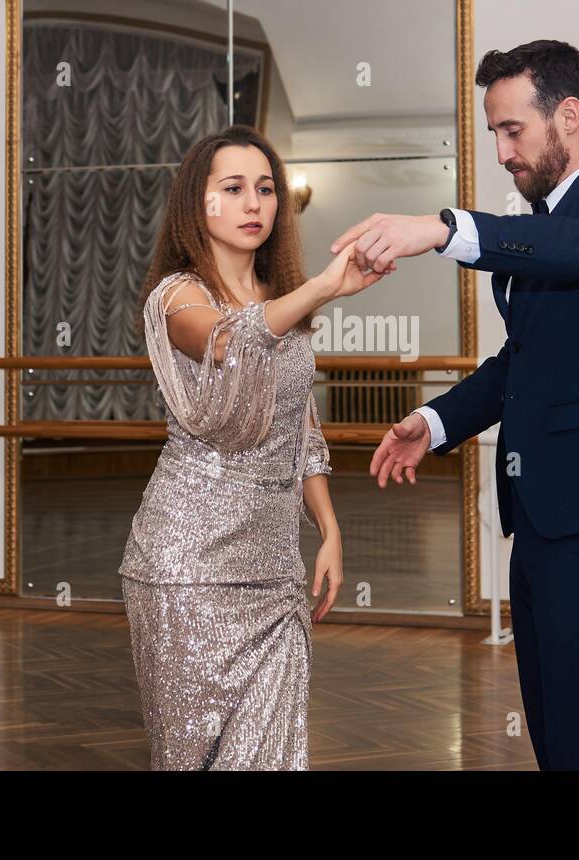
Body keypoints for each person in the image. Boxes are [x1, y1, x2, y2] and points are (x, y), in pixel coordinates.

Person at [331, 40, 579, 770]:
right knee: (554, 734)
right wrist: (435, 422)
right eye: (493, 132)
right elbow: (523, 362)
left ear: (569, 116)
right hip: (542, 516)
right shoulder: (550, 224)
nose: (501, 152)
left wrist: (443, 229)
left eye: (512, 130)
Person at [118, 124, 386, 769]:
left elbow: (302, 429)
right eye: (234, 188)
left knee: (269, 755)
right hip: (185, 568)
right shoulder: (176, 296)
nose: (254, 203)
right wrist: (322, 288)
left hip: (274, 571)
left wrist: (329, 530)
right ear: (198, 203)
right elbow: (229, 341)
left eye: (266, 189)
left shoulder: (280, 304)